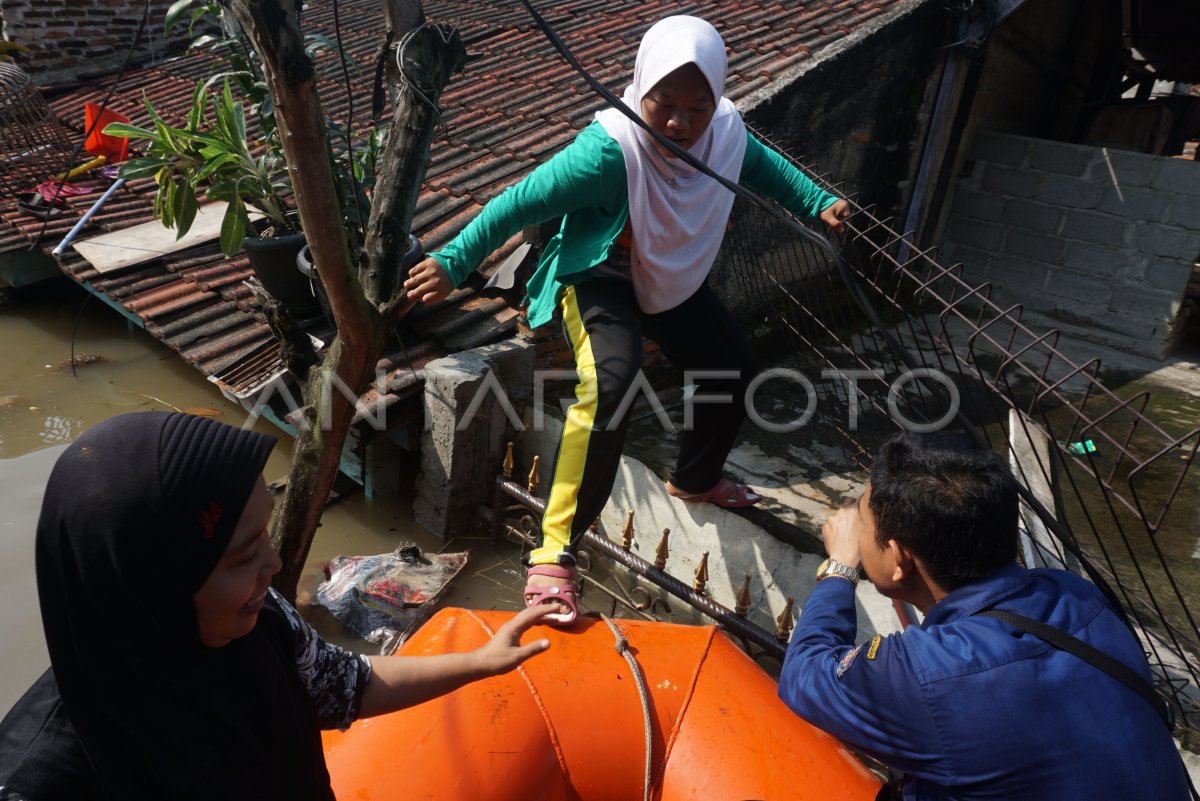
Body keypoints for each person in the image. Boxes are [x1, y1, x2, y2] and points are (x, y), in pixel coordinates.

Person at [404, 15, 850, 624]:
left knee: (732, 365)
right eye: (664, 103)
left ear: (717, 98)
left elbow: (762, 164)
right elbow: (517, 200)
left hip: (668, 275)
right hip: (602, 278)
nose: (679, 123)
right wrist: (453, 262)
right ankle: (553, 555)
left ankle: (694, 480)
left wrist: (817, 201)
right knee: (610, 385)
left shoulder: (725, 133)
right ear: (640, 87)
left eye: (698, 107)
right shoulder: (608, 153)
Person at [0, 411, 557, 801]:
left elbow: (345, 684)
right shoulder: (45, 779)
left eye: (265, 536)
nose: (272, 567)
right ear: (153, 587)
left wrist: (483, 661)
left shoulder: (261, 623)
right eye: (241, 558)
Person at [777, 431, 1191, 800]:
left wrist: (841, 566)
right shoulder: (1075, 593)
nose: (856, 530)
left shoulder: (928, 674)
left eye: (863, 523)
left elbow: (803, 674)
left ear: (899, 559)